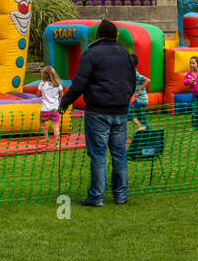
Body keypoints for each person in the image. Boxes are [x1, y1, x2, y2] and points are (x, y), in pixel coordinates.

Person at [59, 19, 137, 206]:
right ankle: (120, 195)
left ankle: (96, 196)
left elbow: (79, 83)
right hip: (120, 110)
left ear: (99, 35)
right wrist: (125, 99)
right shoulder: (125, 54)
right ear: (114, 35)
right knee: (119, 154)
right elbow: (133, 81)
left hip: (98, 111)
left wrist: (64, 103)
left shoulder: (91, 54)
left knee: (98, 155)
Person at [39, 66, 63, 143]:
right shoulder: (58, 84)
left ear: (44, 75)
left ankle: (46, 137)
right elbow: (61, 95)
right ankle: (57, 141)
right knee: (55, 126)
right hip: (55, 109)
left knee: (42, 122)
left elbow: (38, 94)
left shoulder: (42, 84)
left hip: (45, 109)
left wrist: (42, 92)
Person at [128, 53, 151, 132]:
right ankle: (148, 131)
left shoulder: (135, 73)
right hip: (142, 100)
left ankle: (139, 126)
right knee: (141, 118)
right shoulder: (131, 72)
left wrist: (140, 89)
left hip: (141, 99)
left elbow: (148, 80)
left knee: (127, 109)